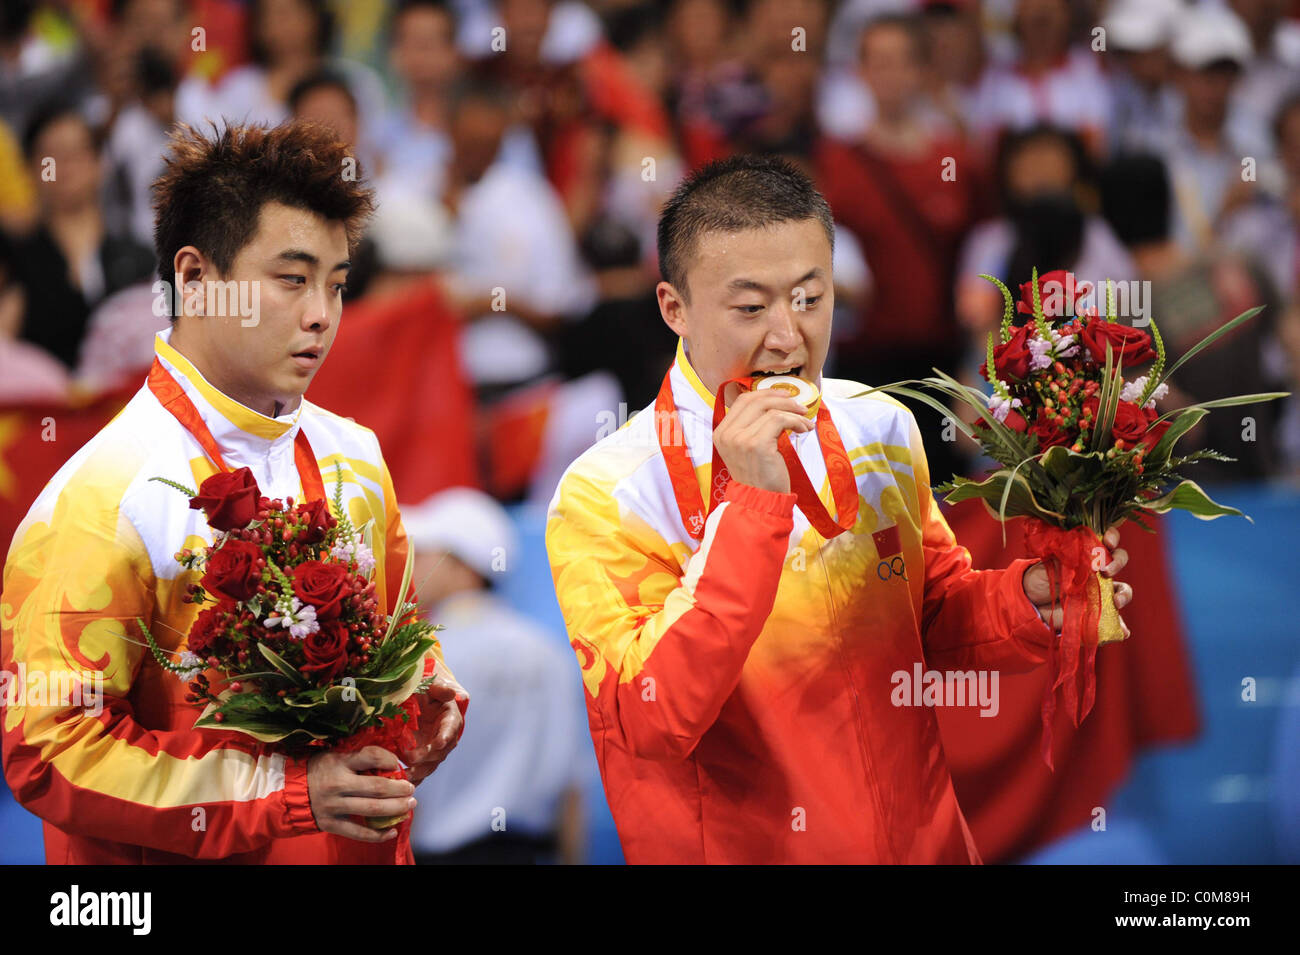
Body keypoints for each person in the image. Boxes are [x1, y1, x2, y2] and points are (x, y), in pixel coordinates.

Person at [544, 154, 1135, 864]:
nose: (788, 336)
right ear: (675, 308)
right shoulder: (606, 491)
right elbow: (651, 716)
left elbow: (932, 610)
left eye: (808, 298)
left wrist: (1027, 603)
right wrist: (755, 506)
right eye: (750, 306)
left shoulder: (878, 425)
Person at [0, 121, 467, 864]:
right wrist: (287, 794)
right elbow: (48, 747)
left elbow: (402, 627)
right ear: (194, 275)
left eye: (338, 285)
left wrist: (428, 693)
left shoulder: (356, 454)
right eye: (291, 278)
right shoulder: (99, 497)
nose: (321, 313)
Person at [404, 488, 586, 865]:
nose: (412, 566)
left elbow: (408, 775)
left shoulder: (424, 656)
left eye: (425, 554)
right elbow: (571, 784)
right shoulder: (548, 650)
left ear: (463, 565)